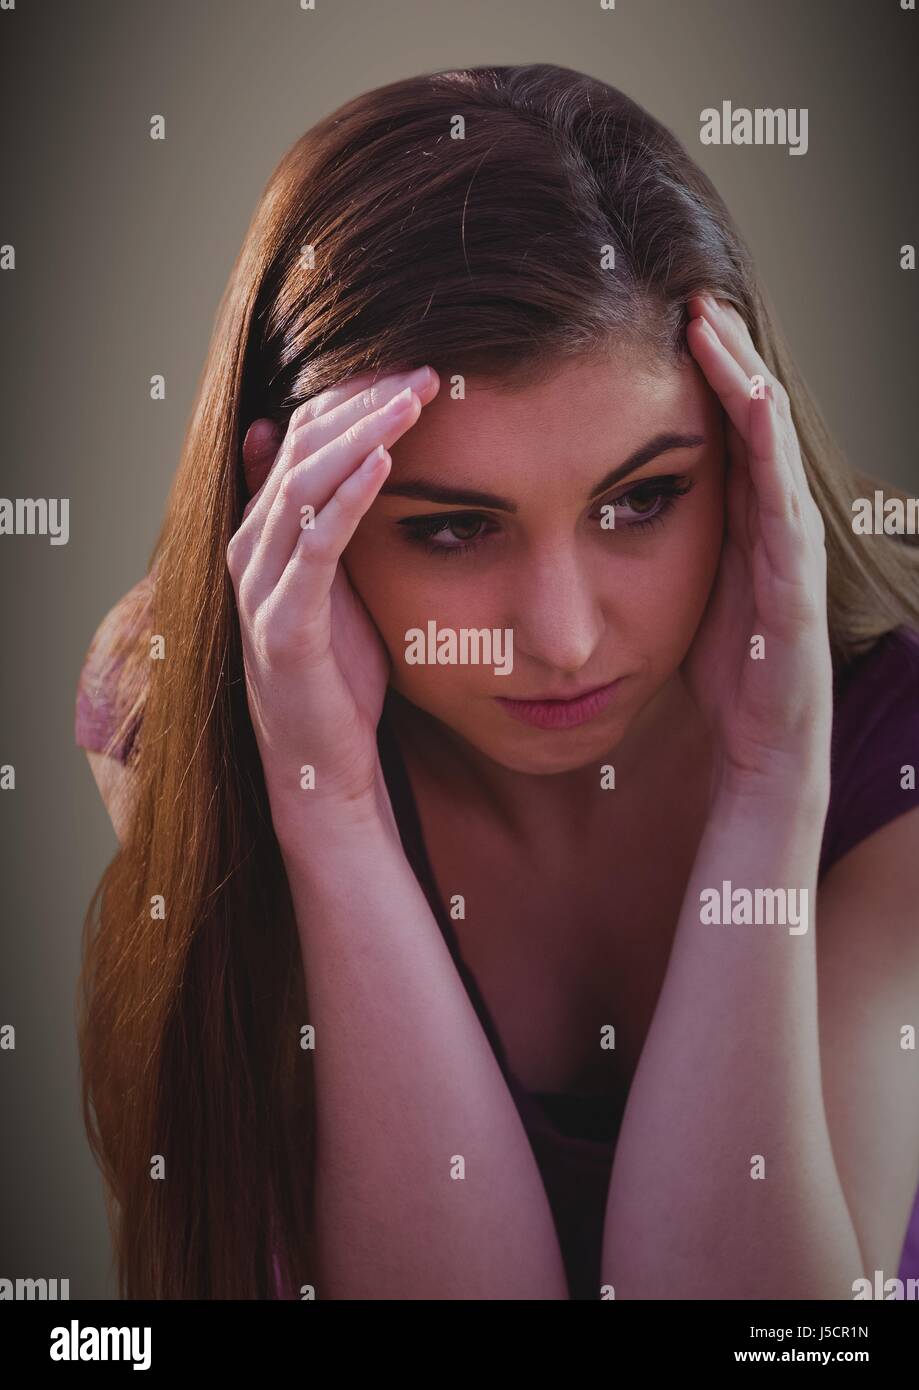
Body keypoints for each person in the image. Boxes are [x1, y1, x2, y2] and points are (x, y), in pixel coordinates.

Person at [75, 63, 919, 1301]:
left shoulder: (890, 739)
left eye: (642, 500)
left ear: (749, 465)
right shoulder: (177, 712)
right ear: (289, 515)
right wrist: (333, 811)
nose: (567, 637)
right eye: (455, 528)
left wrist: (771, 780)